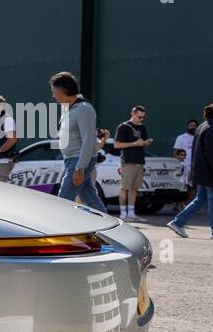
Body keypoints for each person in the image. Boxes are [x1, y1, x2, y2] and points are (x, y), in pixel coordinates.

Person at [50, 71, 106, 211]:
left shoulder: (83, 109)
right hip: (71, 160)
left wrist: (80, 168)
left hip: (78, 161)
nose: (53, 95)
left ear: (63, 91)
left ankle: (60, 225)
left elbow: (88, 140)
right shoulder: (68, 109)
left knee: (63, 200)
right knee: (92, 200)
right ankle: (109, 224)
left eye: (54, 91)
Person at [167, 103, 213, 239]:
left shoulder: (202, 126)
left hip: (201, 172)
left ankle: (177, 222)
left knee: (200, 199)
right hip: (210, 174)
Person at [113, 105, 151, 221]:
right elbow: (116, 145)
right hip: (128, 161)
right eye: (139, 117)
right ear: (132, 114)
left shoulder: (142, 127)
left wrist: (145, 143)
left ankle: (131, 213)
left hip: (140, 161)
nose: (141, 119)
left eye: (143, 117)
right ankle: (123, 214)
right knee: (125, 187)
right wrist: (135, 144)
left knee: (135, 188)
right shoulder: (123, 127)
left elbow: (142, 142)